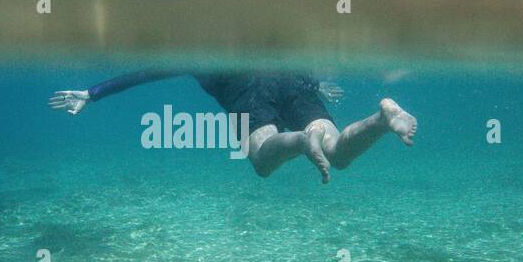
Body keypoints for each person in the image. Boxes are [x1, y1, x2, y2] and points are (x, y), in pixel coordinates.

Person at [48, 70, 417, 184]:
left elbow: (152, 69)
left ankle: (303, 142)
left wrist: (94, 93)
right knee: (336, 154)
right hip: (295, 80)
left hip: (245, 89)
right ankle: (381, 120)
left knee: (261, 159)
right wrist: (315, 84)